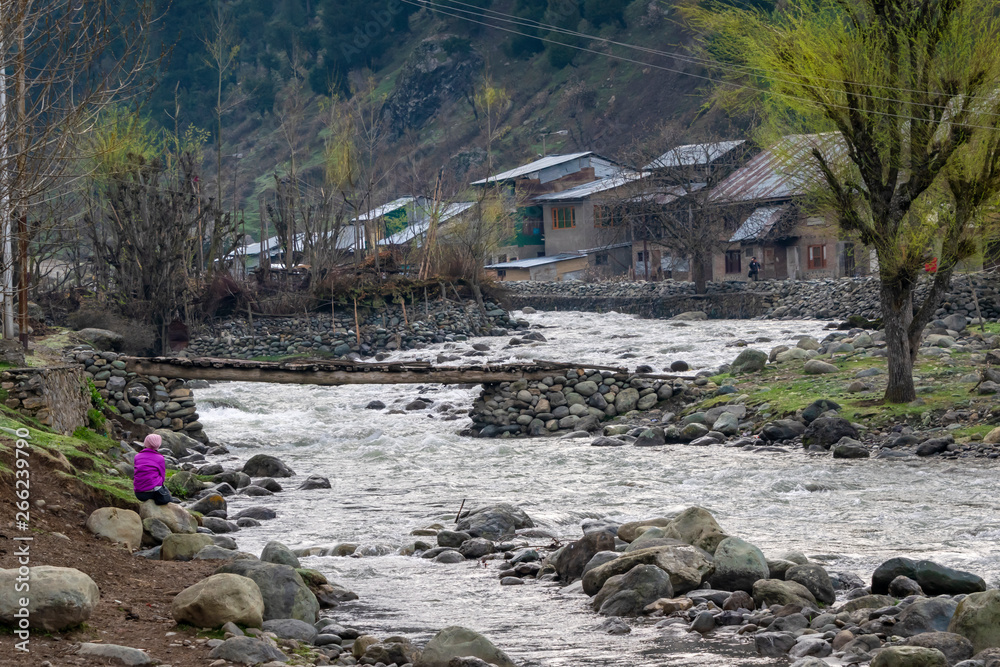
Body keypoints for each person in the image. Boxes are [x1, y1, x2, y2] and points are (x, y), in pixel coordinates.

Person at [133, 434, 171, 505]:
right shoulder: (160, 458)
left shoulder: (137, 456)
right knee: (168, 498)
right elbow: (162, 476)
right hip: (152, 493)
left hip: (138, 493)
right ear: (158, 445)